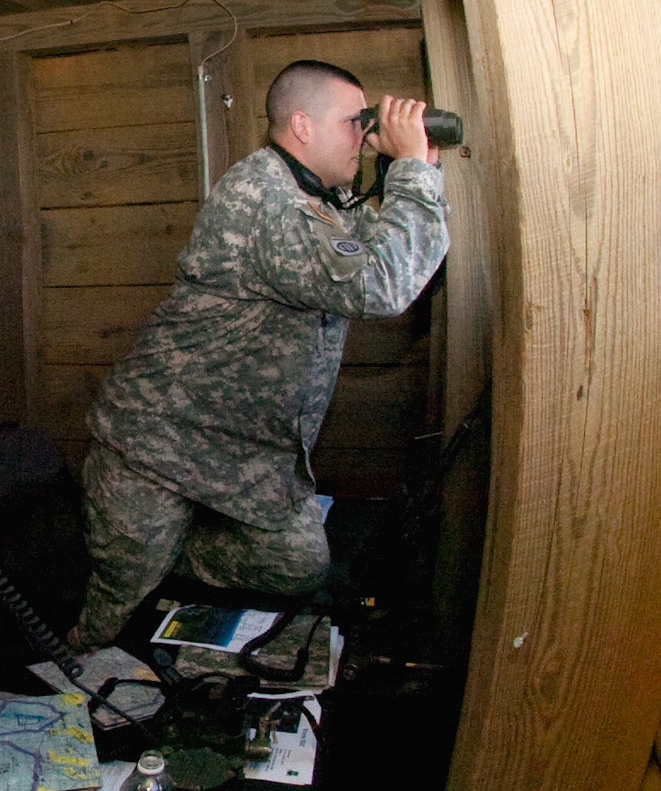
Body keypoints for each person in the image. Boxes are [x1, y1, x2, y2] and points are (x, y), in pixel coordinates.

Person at [67, 59, 448, 651]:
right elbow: (379, 286)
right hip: (159, 444)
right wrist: (413, 175)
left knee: (298, 566)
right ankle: (77, 673)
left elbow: (405, 257)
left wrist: (411, 169)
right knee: (118, 603)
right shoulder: (267, 201)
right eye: (354, 123)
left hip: (242, 451)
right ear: (302, 125)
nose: (364, 136)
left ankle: (166, 552)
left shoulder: (324, 198)